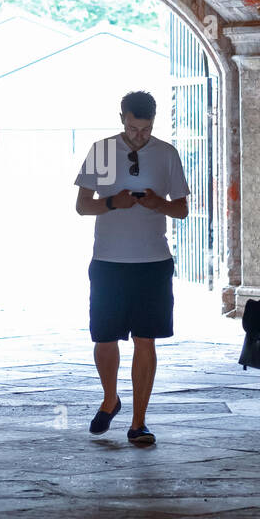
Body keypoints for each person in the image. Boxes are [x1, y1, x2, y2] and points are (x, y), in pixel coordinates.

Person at [74, 91, 189, 445]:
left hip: (153, 262)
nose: (140, 134)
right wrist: (113, 202)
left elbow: (182, 209)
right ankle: (110, 399)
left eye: (146, 128)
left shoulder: (166, 154)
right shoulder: (103, 151)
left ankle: (139, 422)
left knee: (145, 340)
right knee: (105, 339)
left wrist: (157, 203)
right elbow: (82, 206)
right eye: (134, 127)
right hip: (109, 261)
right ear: (122, 118)